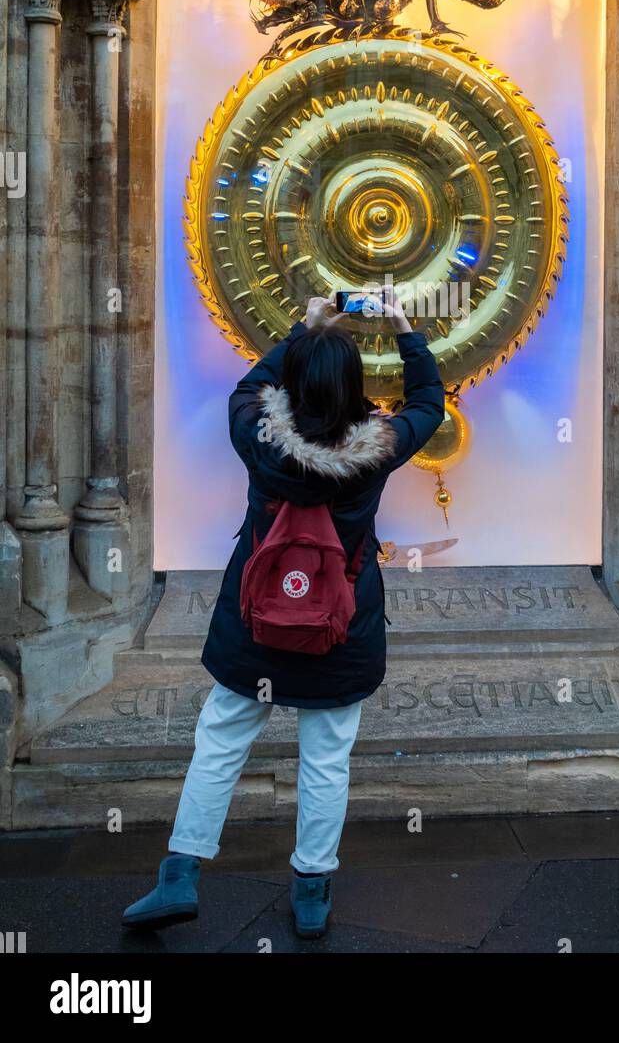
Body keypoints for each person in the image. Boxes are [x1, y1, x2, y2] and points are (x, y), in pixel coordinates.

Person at [122, 290, 444, 938]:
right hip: (340, 630)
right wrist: (406, 329)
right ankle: (310, 888)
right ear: (354, 386)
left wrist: (304, 327)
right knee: (325, 756)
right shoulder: (378, 447)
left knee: (220, 741)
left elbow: (249, 386)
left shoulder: (258, 436)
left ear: (294, 382)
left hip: (256, 628)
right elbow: (428, 404)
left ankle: (180, 874)